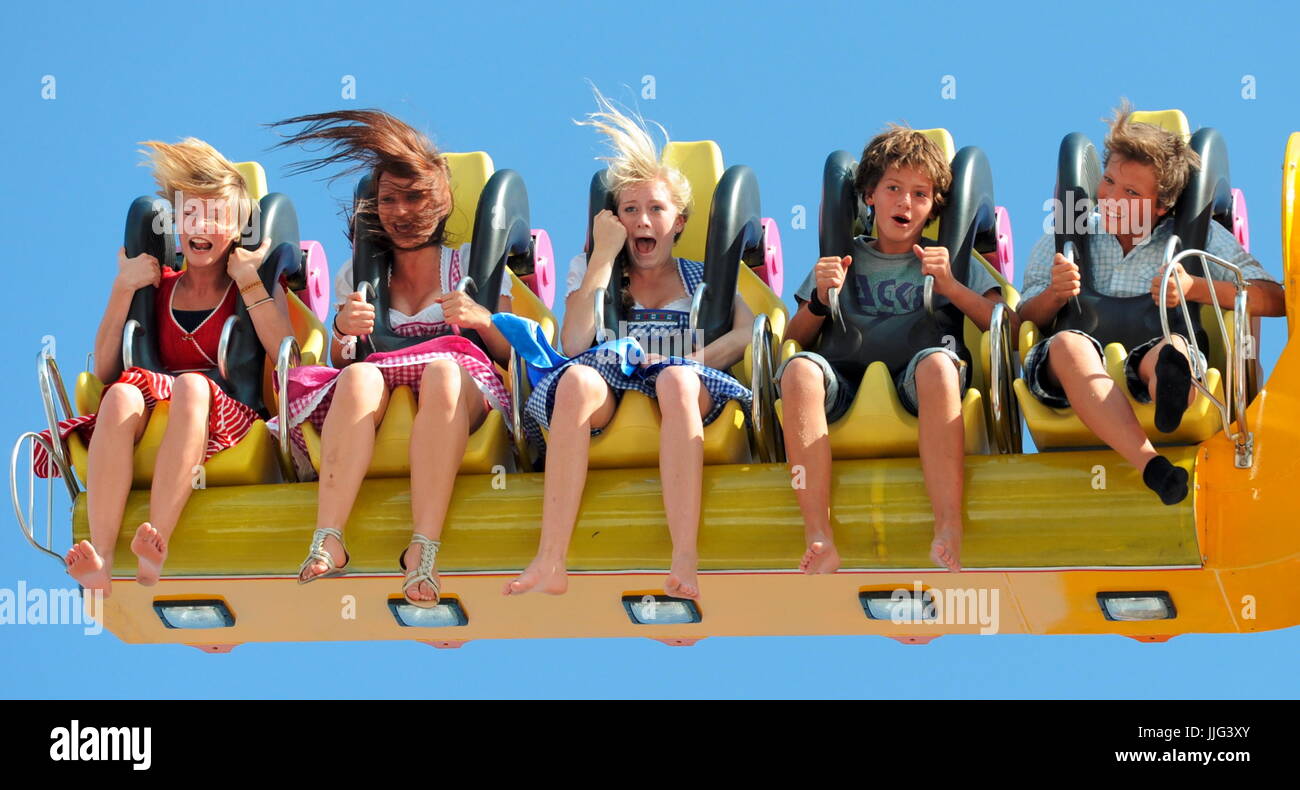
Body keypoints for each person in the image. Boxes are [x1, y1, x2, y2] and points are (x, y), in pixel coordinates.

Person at [503, 92, 753, 600]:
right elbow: (573, 342)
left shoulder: (705, 281)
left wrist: (687, 362)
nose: (643, 221)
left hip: (685, 377)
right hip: (609, 381)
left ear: (679, 221)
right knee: (572, 380)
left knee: (677, 380)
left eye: (656, 210)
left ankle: (685, 554)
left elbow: (747, 333)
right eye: (630, 210)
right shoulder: (592, 272)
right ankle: (551, 558)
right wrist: (602, 256)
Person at [270, 110, 513, 608]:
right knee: (358, 376)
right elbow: (342, 359)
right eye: (389, 200)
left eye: (415, 197)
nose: (401, 212)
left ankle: (423, 548)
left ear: (442, 199)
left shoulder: (470, 265)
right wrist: (342, 331)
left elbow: (514, 355)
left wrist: (482, 319)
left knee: (444, 372)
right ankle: (329, 537)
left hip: (460, 377)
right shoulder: (357, 275)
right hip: (379, 377)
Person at [52, 138, 291, 595]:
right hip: (154, 400)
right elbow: (104, 368)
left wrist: (249, 282)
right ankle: (100, 558)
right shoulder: (158, 286)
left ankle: (154, 540)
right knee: (120, 393)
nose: (201, 225)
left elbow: (285, 356)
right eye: (189, 214)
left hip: (231, 413)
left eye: (216, 216)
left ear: (239, 227)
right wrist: (123, 289)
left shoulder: (249, 283)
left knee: (192, 389)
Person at [1017, 104, 1285, 505]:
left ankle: (1171, 394)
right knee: (1068, 344)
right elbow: (1021, 319)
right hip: (1072, 369)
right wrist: (1053, 295)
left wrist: (1196, 286)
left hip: (1150, 353)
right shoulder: (1071, 234)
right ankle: (1150, 465)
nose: (1112, 198)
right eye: (1107, 182)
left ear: (1161, 205)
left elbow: (1274, 298)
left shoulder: (1192, 237)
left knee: (1173, 349)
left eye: (1131, 193)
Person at [777, 126, 1010, 573]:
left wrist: (952, 288)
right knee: (798, 372)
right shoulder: (841, 259)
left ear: (935, 205)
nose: (905, 202)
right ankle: (818, 534)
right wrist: (822, 299)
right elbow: (793, 339)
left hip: (917, 377)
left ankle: (948, 524)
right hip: (843, 377)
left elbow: (1005, 324)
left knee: (940, 366)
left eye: (920, 194)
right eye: (893, 188)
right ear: (869, 195)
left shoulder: (948, 259)